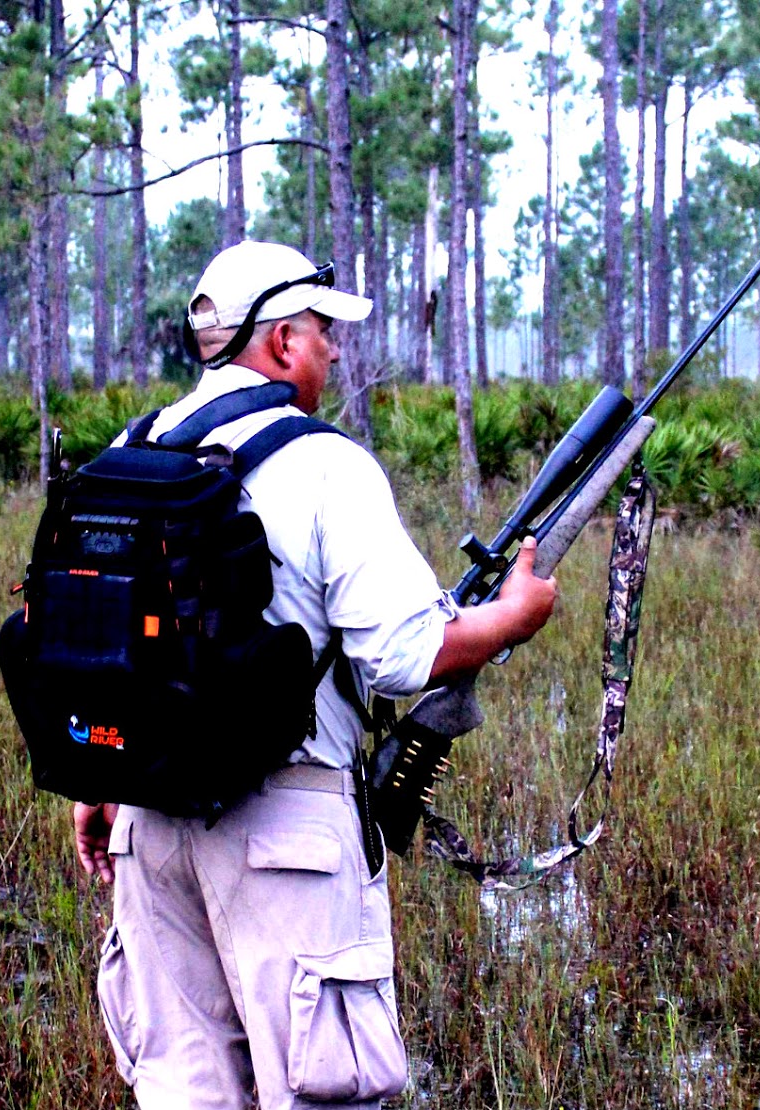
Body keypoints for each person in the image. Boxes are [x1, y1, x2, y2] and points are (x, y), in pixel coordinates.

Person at [70, 240, 558, 1110]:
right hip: (288, 837)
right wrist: (515, 617)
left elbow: (97, 636)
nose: (334, 348)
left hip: (146, 824)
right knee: (321, 1093)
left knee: (184, 1093)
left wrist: (102, 776)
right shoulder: (326, 462)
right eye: (322, 330)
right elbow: (405, 656)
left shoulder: (131, 449)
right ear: (282, 341)